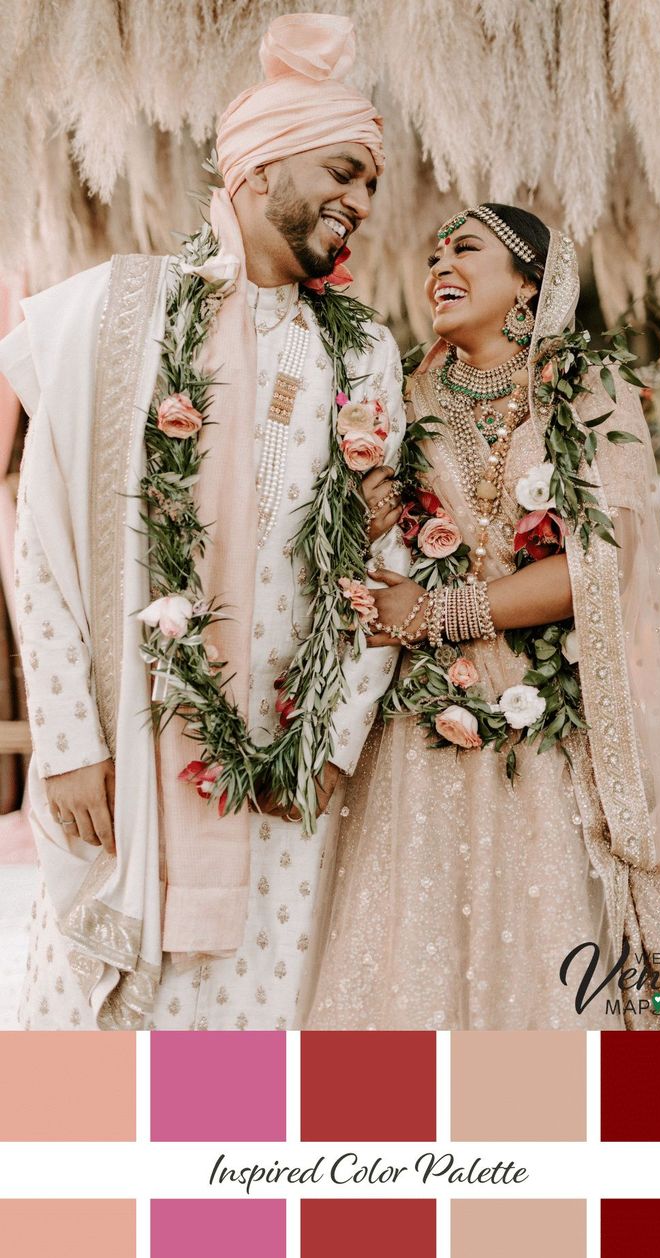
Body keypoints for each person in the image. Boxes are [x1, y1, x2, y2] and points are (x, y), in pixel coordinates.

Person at [0, 12, 408, 1031]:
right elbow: (40, 544)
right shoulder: (111, 317)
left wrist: (329, 738)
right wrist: (65, 739)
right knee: (99, 1045)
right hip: (127, 750)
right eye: (344, 172)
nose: (360, 202)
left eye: (370, 184)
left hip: (284, 770)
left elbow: (381, 557)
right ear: (258, 172)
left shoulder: (364, 355)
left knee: (259, 1038)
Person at [302, 204, 660, 1031]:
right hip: (419, 735)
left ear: (530, 283)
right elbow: (362, 548)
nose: (440, 267)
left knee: (547, 947)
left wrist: (436, 609)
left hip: (547, 732)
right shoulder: (401, 394)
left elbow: (596, 568)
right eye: (434, 255)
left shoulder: (588, 390)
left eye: (466, 249)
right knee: (409, 950)